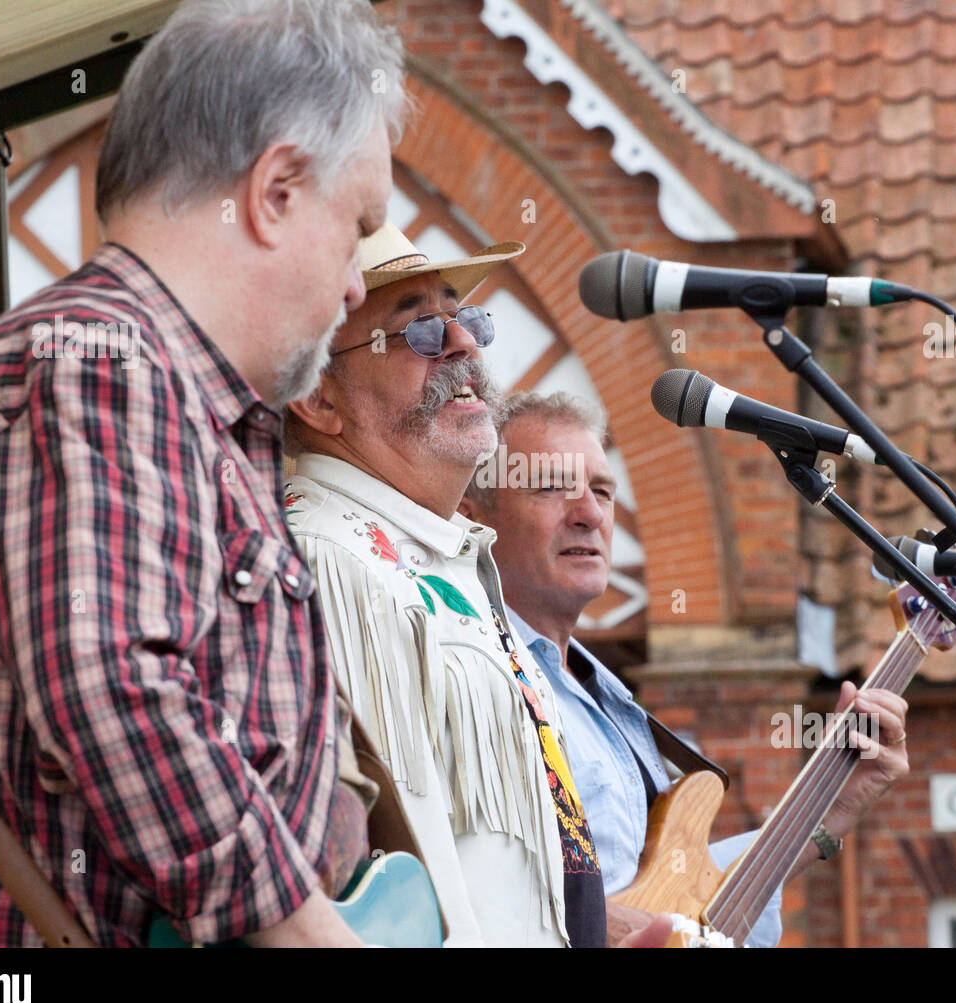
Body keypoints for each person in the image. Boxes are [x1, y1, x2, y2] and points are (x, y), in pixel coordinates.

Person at [0, 0, 404, 947]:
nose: (356, 282)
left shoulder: (166, 393)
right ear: (276, 190)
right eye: (357, 225)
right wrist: (310, 933)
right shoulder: (98, 364)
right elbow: (115, 689)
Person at [283, 223, 671, 948]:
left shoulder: (434, 555)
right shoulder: (330, 559)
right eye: (420, 329)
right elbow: (397, 872)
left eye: (464, 318)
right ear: (317, 397)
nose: (464, 342)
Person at [460, 391, 911, 946]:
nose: (591, 514)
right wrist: (625, 929)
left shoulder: (602, 693)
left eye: (602, 491)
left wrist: (832, 807)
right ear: (472, 519)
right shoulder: (469, 671)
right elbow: (464, 881)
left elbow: (683, 897)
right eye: (552, 486)